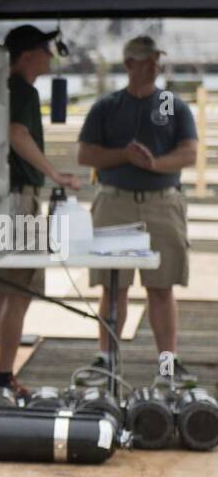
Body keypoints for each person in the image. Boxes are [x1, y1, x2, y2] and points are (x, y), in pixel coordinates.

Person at [78, 35, 199, 383]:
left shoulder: (172, 105)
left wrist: (154, 163)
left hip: (163, 203)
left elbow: (189, 153)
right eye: (147, 60)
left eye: (156, 60)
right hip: (114, 200)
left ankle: (167, 364)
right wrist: (125, 156)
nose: (154, 66)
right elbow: (86, 154)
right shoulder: (107, 106)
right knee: (113, 287)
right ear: (129, 64)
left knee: (162, 287)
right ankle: (107, 359)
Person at [0, 25, 82, 395]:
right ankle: (3, 376)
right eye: (44, 49)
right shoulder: (22, 89)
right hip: (20, 197)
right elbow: (18, 133)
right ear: (26, 56)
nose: (50, 56)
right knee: (18, 291)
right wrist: (55, 173)